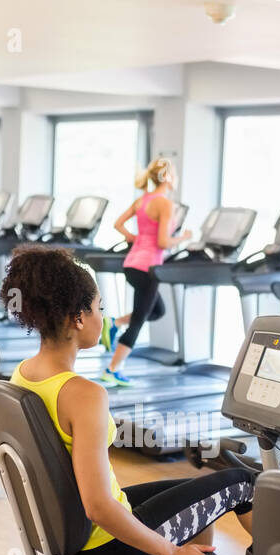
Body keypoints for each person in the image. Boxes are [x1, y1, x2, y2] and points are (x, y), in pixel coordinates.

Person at [3, 246, 254, 555]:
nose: (103, 318)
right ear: (78, 317)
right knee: (242, 484)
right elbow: (99, 506)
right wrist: (173, 554)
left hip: (70, 535)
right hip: (103, 546)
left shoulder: (24, 374)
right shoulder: (82, 394)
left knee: (195, 495)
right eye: (100, 307)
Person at [99, 157, 193, 387]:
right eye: (176, 174)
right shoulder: (165, 204)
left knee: (157, 310)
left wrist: (132, 238)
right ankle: (112, 369)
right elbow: (162, 242)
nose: (177, 178)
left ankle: (113, 322)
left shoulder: (143, 200)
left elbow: (117, 223)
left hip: (132, 264)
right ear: (168, 177)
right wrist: (183, 238)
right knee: (139, 320)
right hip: (148, 267)